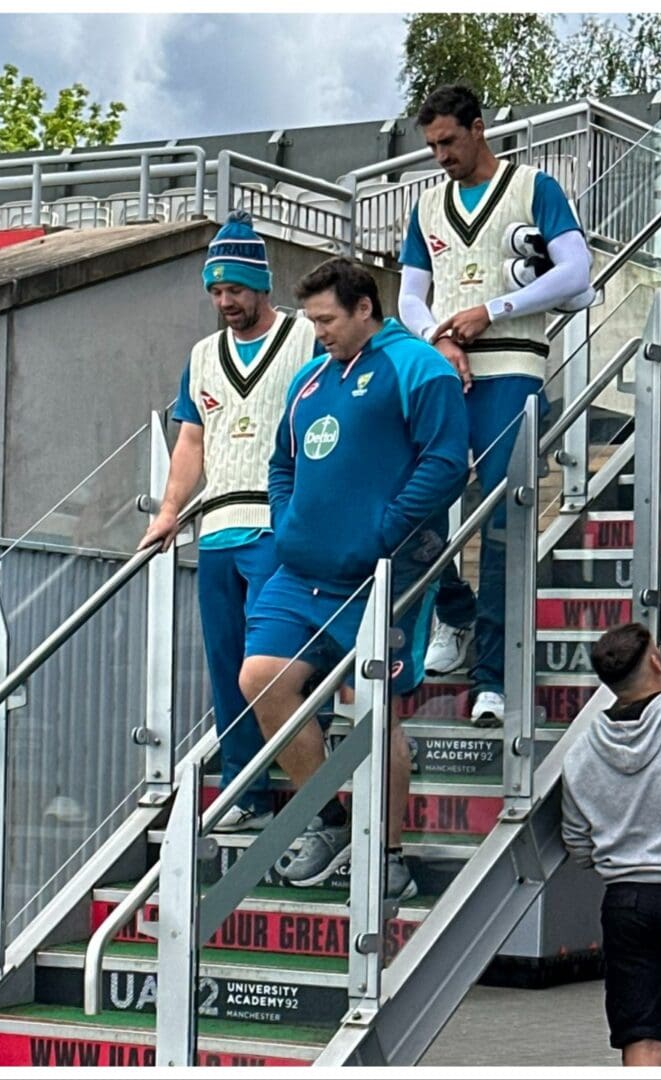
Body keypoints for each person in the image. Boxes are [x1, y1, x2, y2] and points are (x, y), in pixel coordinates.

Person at [239, 258, 469, 903]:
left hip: (381, 576)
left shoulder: (417, 366)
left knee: (376, 714)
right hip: (301, 567)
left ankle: (389, 855)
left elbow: (449, 461)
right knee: (261, 679)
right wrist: (286, 525)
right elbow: (281, 465)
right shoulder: (310, 379)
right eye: (312, 321)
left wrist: (384, 532)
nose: (318, 333)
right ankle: (331, 818)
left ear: (365, 308)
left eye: (327, 320)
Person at [397, 82, 592, 725]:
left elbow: (576, 271)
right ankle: (453, 614)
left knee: (503, 517)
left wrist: (492, 309)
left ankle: (494, 677)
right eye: (431, 145)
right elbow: (409, 297)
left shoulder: (534, 185)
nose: (440, 155)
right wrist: (437, 337)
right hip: (443, 370)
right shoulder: (426, 206)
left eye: (448, 141)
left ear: (478, 128)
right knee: (413, 506)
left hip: (512, 364)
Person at [140, 211, 321, 833]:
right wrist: (168, 513)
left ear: (261, 285)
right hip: (217, 527)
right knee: (225, 665)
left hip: (280, 521)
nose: (226, 302)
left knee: (273, 660)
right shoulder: (202, 355)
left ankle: (309, 789)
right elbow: (192, 439)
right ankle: (245, 790)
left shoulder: (305, 337)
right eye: (216, 292)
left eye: (235, 290)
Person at [562, 622, 661, 1068]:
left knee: (644, 1040)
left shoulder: (580, 752)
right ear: (657, 660)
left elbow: (577, 842)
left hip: (626, 905)